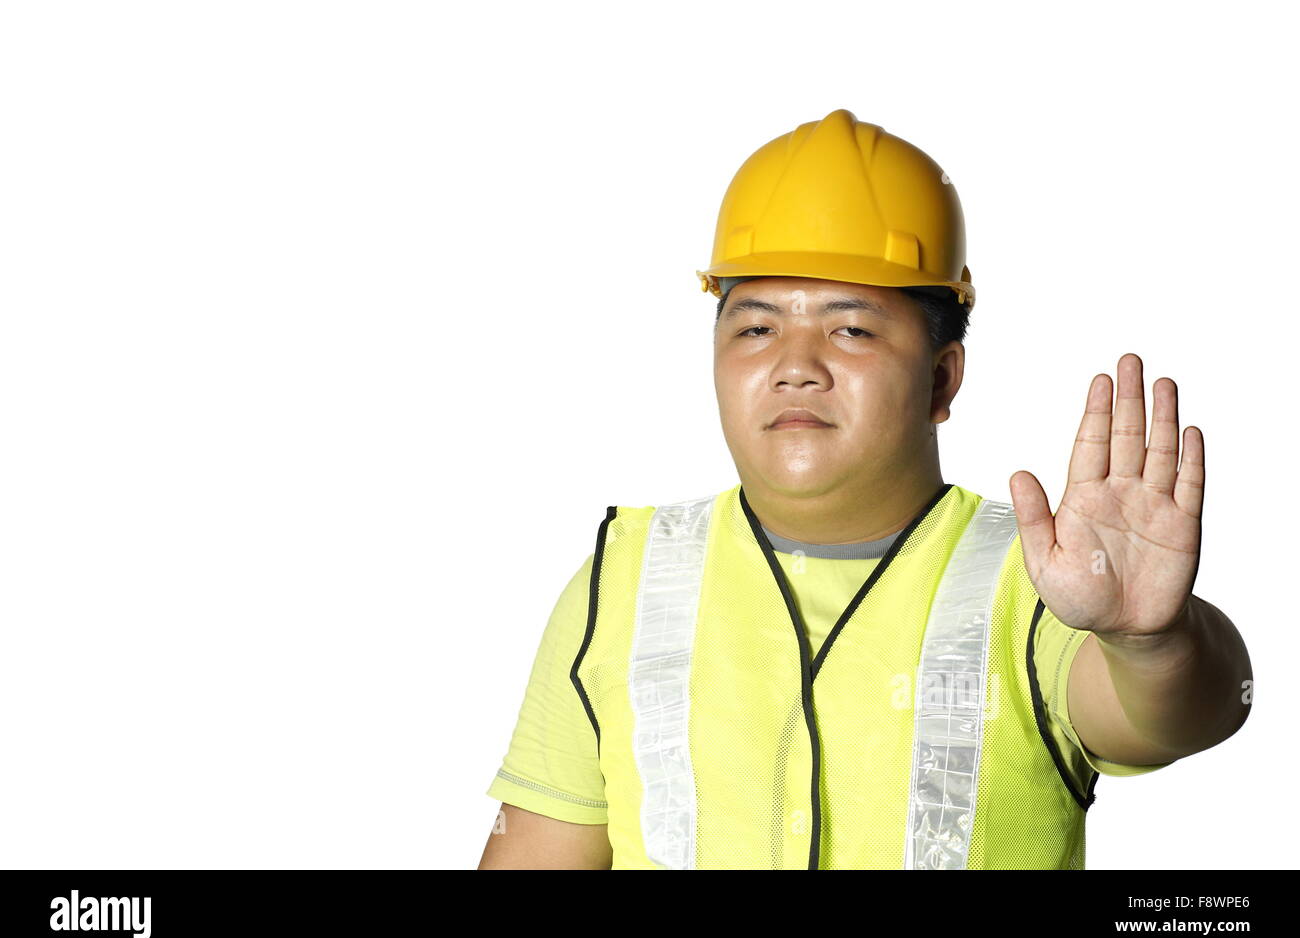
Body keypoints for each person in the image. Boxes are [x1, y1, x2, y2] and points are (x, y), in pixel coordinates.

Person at [477, 109, 1252, 870]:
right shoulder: (627, 581)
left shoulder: (1041, 579)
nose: (796, 364)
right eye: (755, 328)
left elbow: (1179, 716)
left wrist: (1150, 642)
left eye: (852, 328)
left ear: (941, 377)